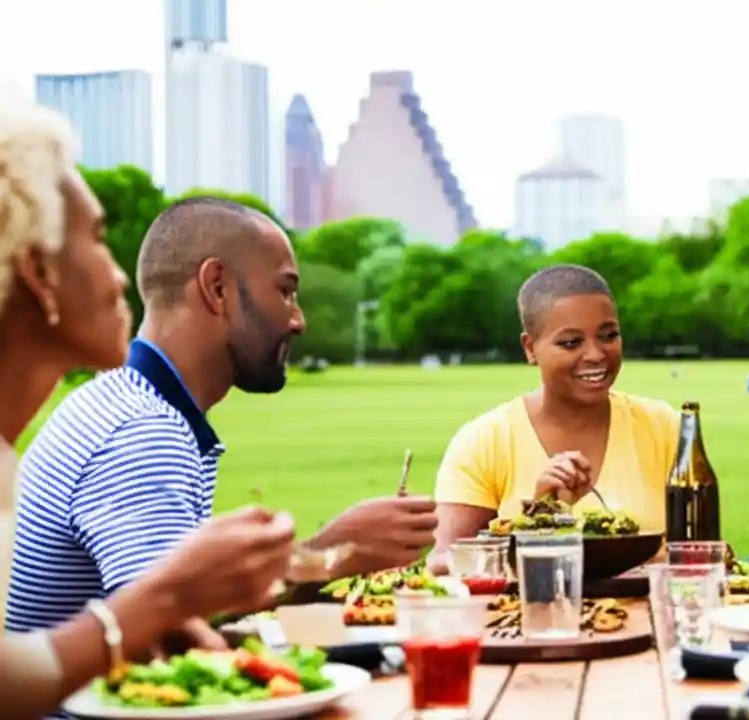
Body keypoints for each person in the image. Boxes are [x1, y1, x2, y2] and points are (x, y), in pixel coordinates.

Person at [6, 196, 439, 641]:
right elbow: (168, 630)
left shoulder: (131, 405)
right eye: (285, 291)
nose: (298, 320)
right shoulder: (141, 430)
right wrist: (332, 554)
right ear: (217, 287)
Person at [0, 96, 296, 719]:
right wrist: (326, 559)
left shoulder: (91, 417)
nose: (119, 278)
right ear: (38, 273)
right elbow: (166, 661)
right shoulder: (139, 429)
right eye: (100, 240)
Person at [428, 264, 679, 573]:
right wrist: (540, 516)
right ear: (530, 348)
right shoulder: (485, 440)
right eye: (571, 342)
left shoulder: (664, 426)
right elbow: (443, 563)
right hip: (527, 619)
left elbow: (705, 553)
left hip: (649, 618)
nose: (596, 354)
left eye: (609, 335)